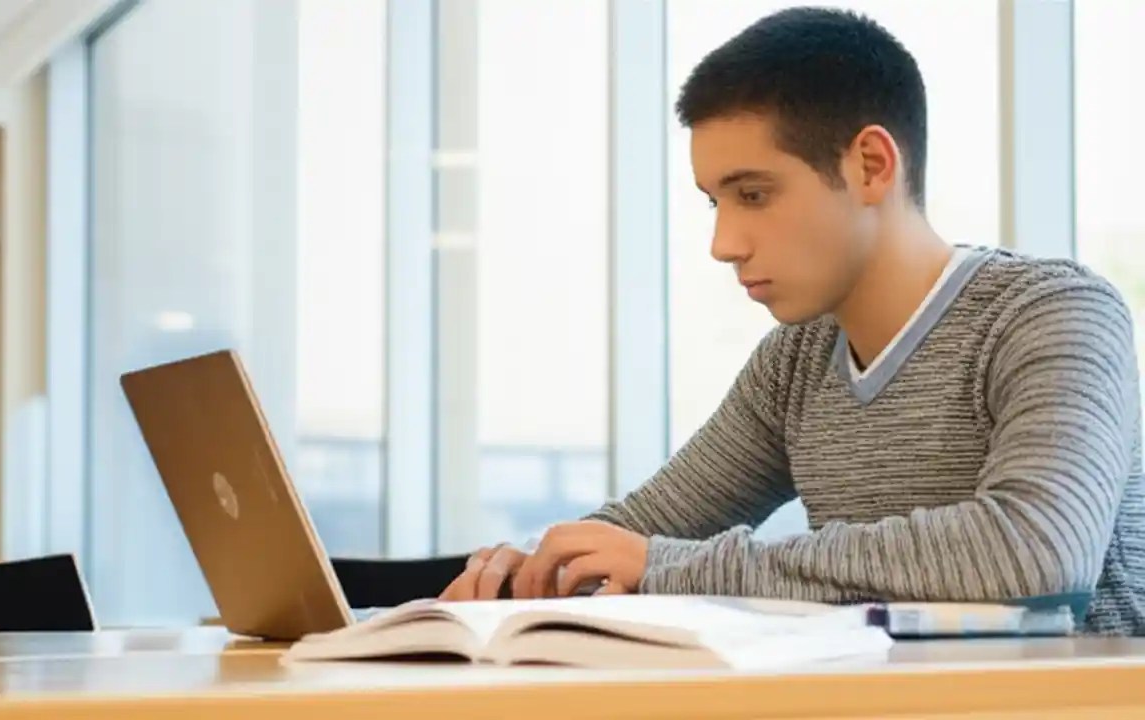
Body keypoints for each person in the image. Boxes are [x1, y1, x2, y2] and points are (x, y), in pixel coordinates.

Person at [438, 6, 1145, 635]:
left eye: (754, 193)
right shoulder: (797, 362)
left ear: (871, 165)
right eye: (716, 202)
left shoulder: (1054, 314)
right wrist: (528, 569)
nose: (724, 244)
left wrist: (668, 566)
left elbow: (1036, 554)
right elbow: (642, 532)